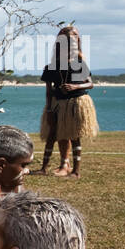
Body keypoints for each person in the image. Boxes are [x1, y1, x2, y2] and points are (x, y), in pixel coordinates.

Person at [38, 26, 98, 178]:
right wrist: (50, 109)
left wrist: (75, 86)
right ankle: (45, 168)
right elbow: (48, 90)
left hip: (76, 103)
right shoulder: (52, 66)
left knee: (74, 135)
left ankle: (75, 171)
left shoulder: (79, 62)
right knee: (53, 135)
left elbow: (90, 83)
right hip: (58, 103)